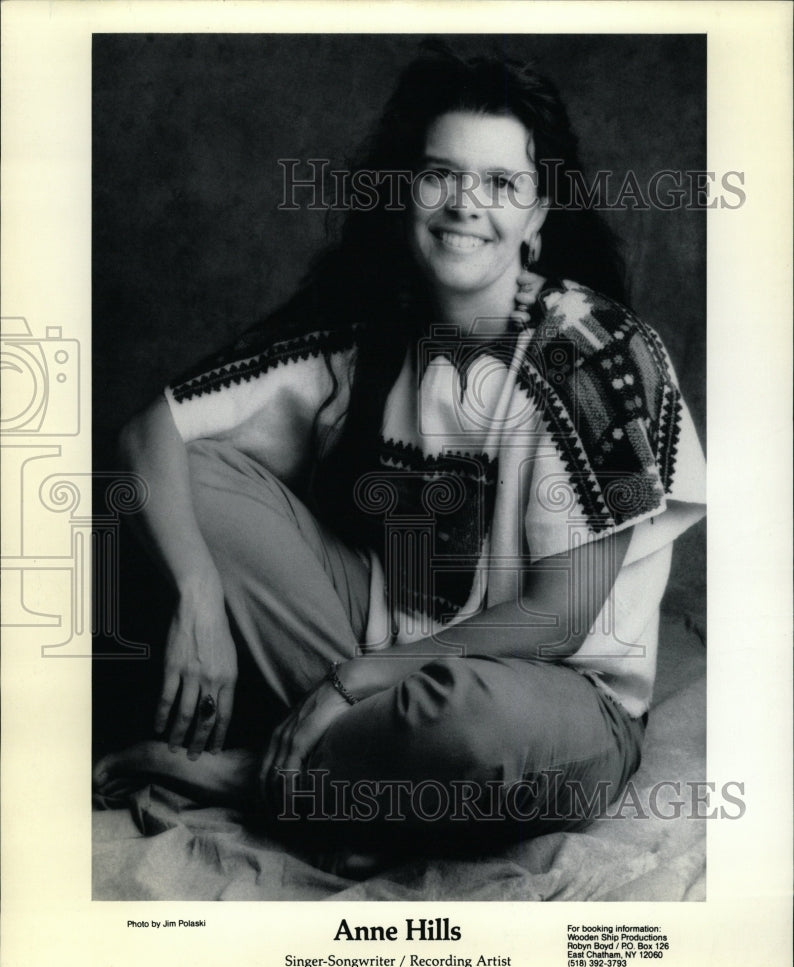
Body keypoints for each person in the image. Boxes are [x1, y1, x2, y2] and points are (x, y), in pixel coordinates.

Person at [93, 49, 706, 869]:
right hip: (370, 649)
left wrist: (364, 679)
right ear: (403, 191)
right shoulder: (371, 326)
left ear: (539, 212)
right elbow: (148, 434)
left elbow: (559, 617)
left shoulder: (599, 354)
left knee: (464, 728)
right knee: (183, 481)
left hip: (550, 699)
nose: (465, 205)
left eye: (500, 184)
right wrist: (199, 596)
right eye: (439, 175)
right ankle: (355, 787)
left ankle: (260, 777)